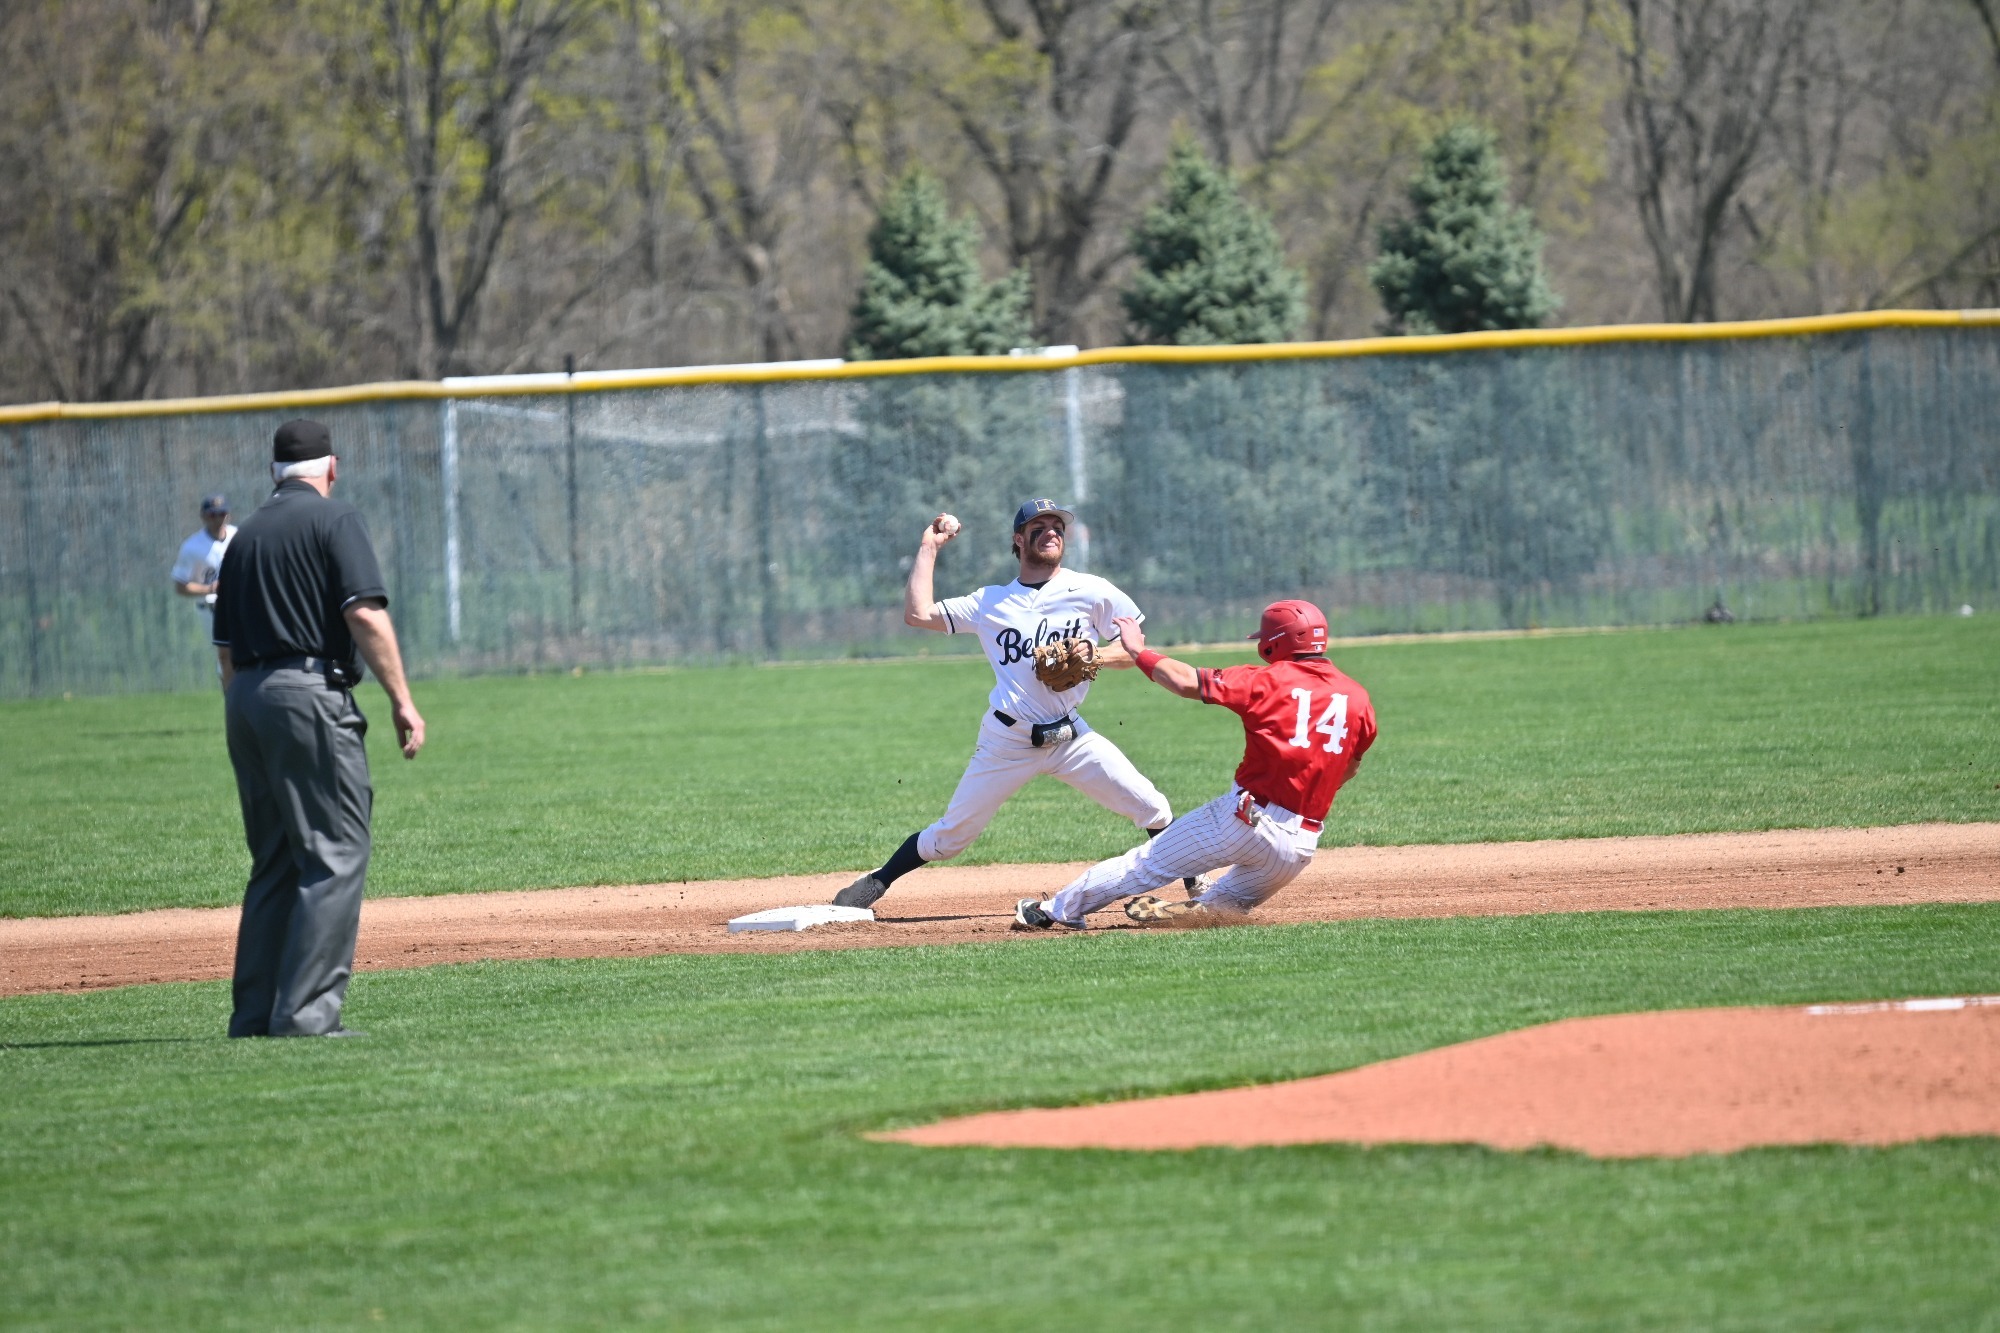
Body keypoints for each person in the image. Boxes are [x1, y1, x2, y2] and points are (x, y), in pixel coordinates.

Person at [833, 498, 1192, 909]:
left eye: (1057, 525)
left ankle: (1196, 883)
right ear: (1019, 540)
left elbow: (1134, 650)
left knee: (1152, 806)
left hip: (1070, 736)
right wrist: (929, 548)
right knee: (950, 838)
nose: (1052, 531)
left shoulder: (1091, 590)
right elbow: (917, 614)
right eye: (1039, 527)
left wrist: (1095, 656)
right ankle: (877, 882)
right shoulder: (991, 602)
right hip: (1008, 741)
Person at [211, 419, 426, 1038]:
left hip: (245, 698)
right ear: (331, 469)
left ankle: (255, 1016)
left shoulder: (244, 535)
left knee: (276, 858)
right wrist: (402, 701)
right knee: (334, 853)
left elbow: (224, 649)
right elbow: (363, 612)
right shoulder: (335, 520)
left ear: (272, 473)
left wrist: (250, 708)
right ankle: (306, 1016)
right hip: (307, 692)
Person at [1013, 599, 1376, 930]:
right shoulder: (1359, 699)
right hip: (1298, 848)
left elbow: (1186, 681)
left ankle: (1054, 911)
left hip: (1244, 821)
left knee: (1146, 865)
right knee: (1223, 906)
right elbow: (1348, 769)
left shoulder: (1266, 680)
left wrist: (1138, 650)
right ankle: (1203, 908)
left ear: (1274, 642)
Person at [171, 493, 236, 679]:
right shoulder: (192, 547)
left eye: (222, 513)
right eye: (212, 514)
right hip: (210, 609)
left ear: (228, 515)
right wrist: (210, 589)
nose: (217, 518)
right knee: (225, 657)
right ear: (203, 516)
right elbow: (180, 586)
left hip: (238, 607)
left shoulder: (237, 536)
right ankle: (231, 701)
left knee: (241, 655)